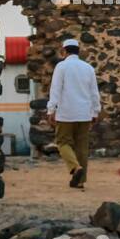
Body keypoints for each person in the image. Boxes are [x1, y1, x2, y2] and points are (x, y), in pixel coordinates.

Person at [46, 37, 100, 189]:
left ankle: (75, 167)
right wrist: (95, 111)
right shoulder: (88, 68)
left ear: (64, 51)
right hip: (85, 113)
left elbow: (55, 90)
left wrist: (51, 110)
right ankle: (81, 181)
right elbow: (94, 92)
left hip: (66, 113)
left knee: (63, 142)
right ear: (78, 51)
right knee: (82, 147)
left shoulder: (61, 67)